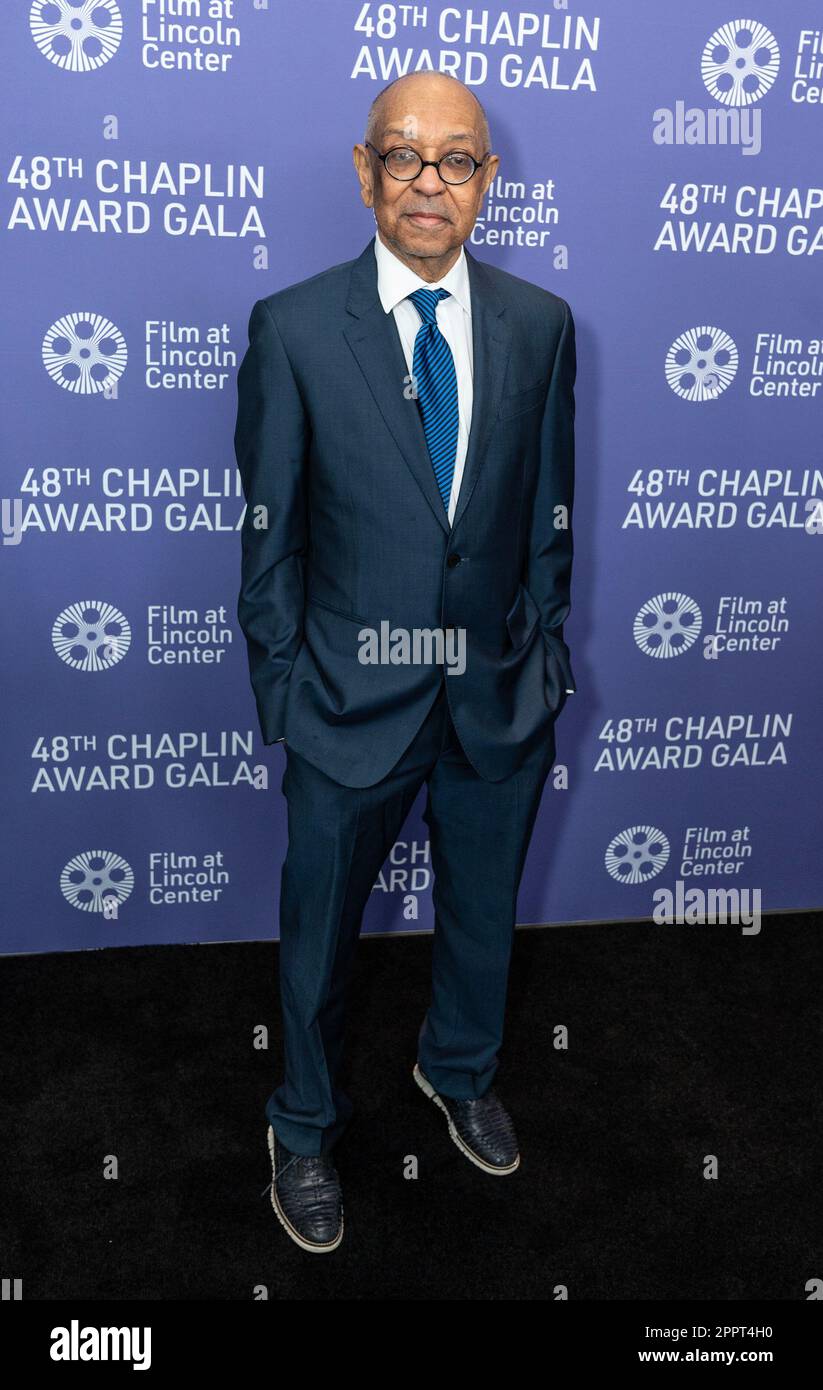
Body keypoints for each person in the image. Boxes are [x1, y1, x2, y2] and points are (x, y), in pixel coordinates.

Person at [233, 70, 577, 1253]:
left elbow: (544, 514)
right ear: (364, 170)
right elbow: (268, 535)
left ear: (490, 176)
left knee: (482, 916)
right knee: (318, 942)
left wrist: (542, 658)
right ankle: (303, 1125)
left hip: (495, 694)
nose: (431, 183)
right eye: (405, 156)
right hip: (344, 701)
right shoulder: (292, 328)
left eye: (458, 160)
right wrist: (285, 687)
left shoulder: (539, 326)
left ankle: (458, 1067)